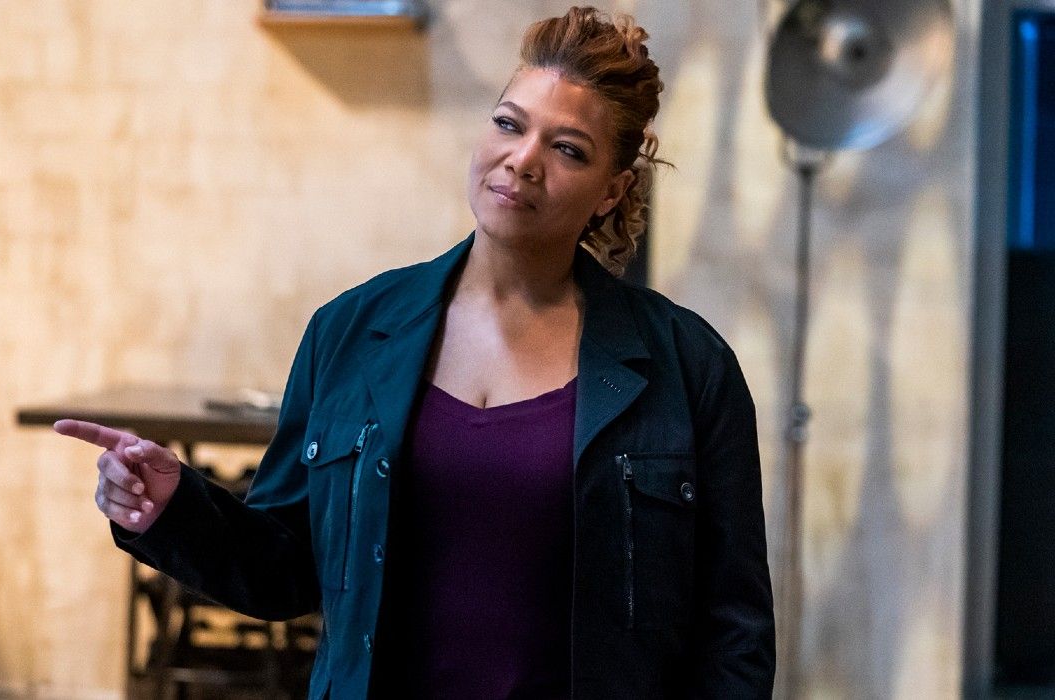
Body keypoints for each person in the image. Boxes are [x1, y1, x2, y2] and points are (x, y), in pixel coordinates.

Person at [54, 6, 774, 698]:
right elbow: (286, 569)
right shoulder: (350, 332)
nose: (522, 160)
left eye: (567, 149)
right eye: (508, 124)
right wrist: (173, 509)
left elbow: (734, 634)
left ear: (611, 192)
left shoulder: (687, 368)